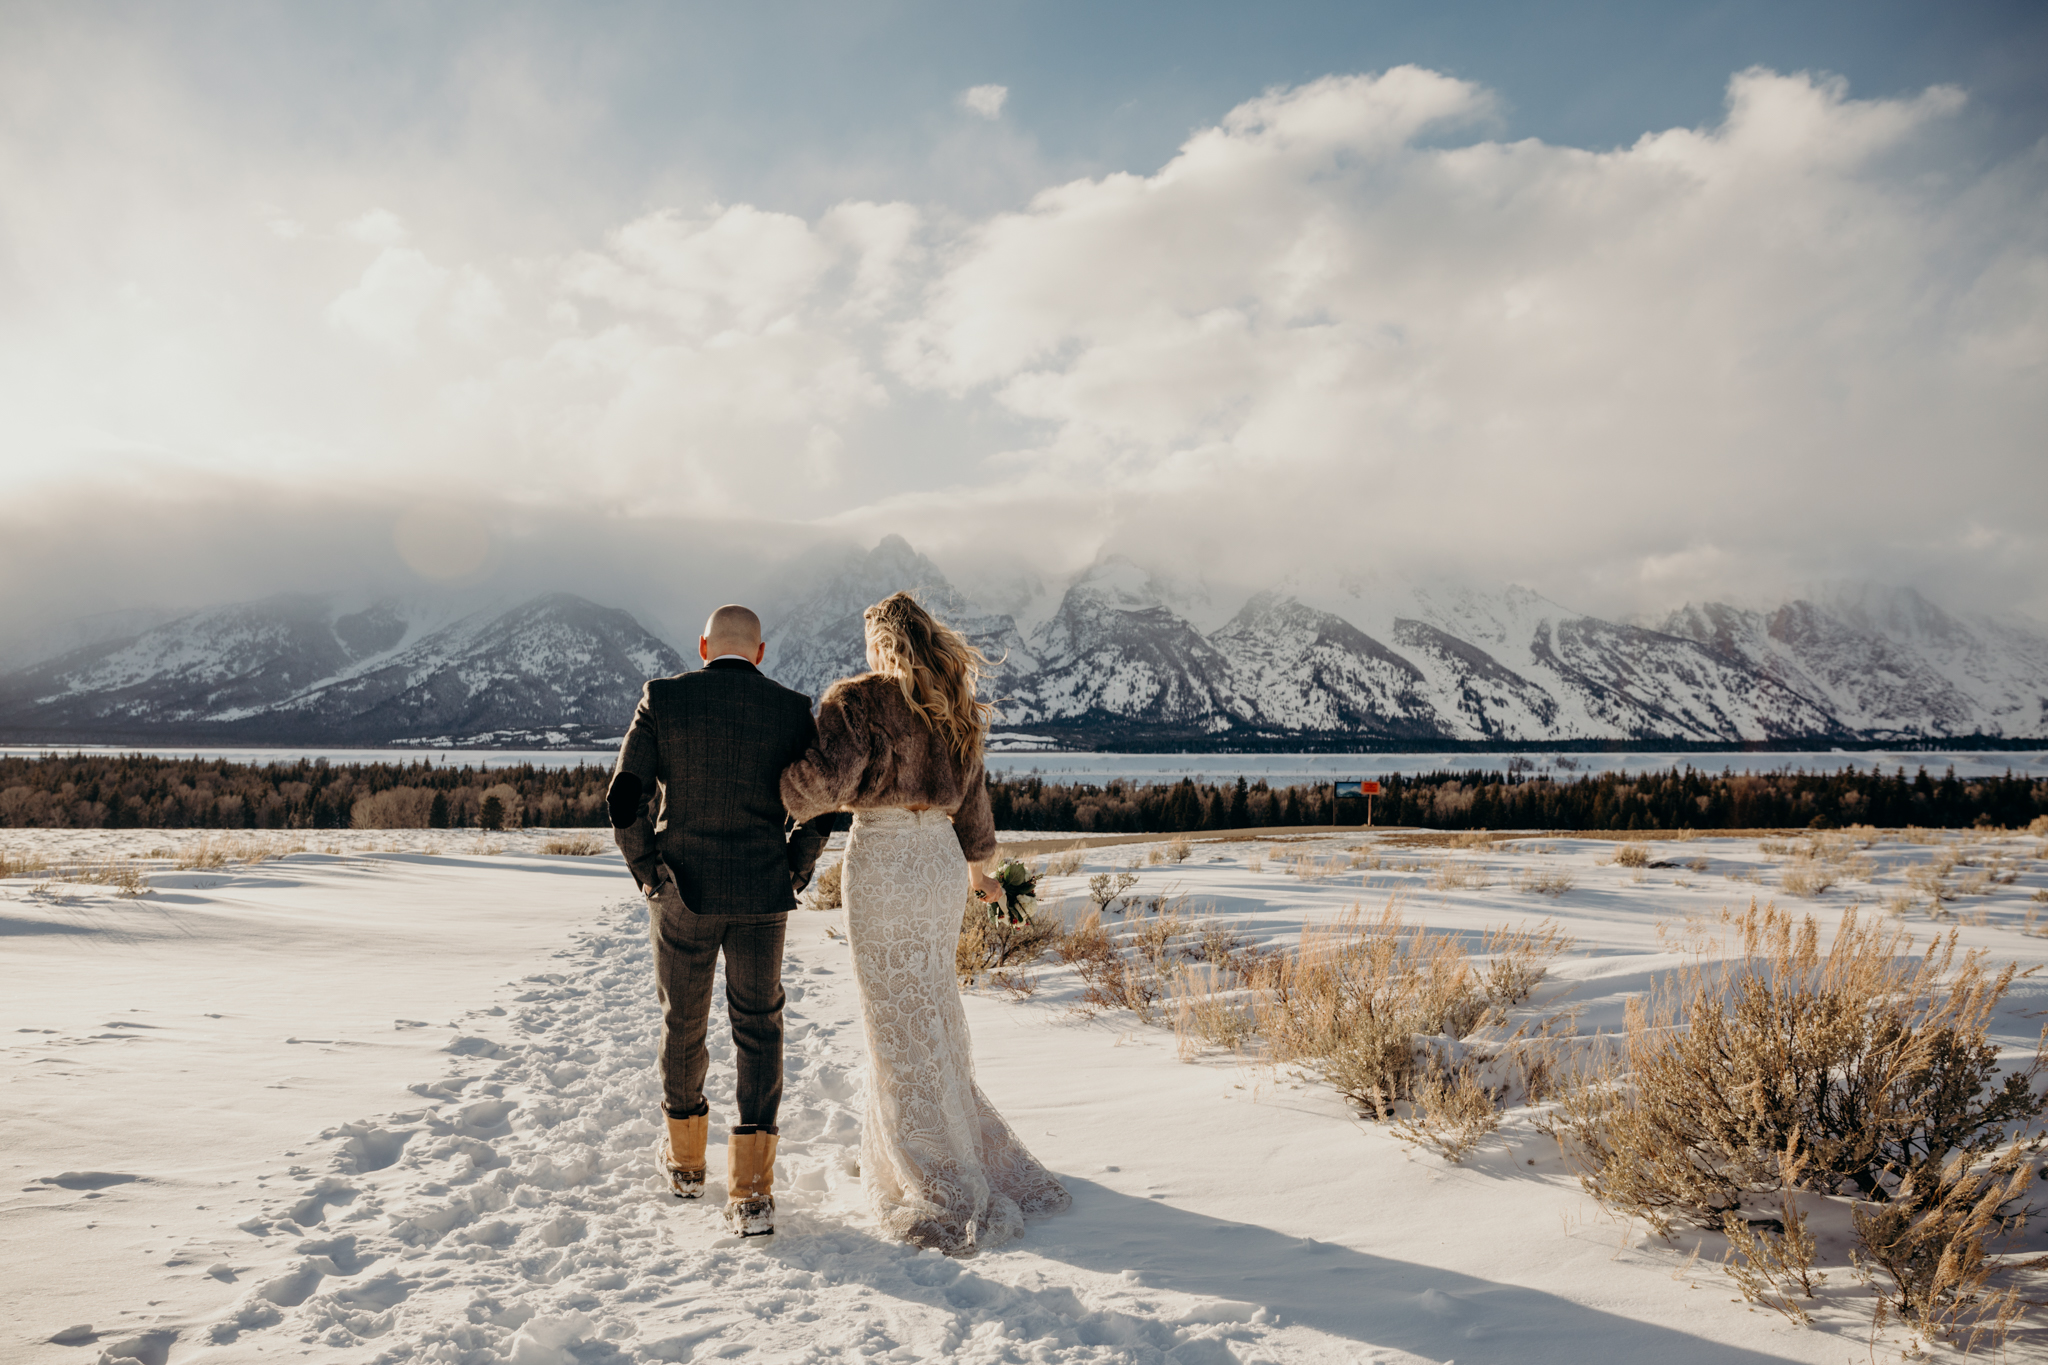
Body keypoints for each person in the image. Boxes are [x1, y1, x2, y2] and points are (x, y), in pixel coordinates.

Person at [781, 591, 1070, 1255]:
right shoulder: (954, 703)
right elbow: (974, 805)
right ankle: (941, 1143)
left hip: (883, 859)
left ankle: (931, 1169)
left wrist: (778, 786)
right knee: (934, 1004)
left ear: (881, 644)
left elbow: (822, 784)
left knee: (892, 1014)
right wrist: (979, 873)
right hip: (939, 862)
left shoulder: (857, 700)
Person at [607, 604, 833, 1237]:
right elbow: (821, 808)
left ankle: (684, 1165)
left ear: (703, 645)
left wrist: (649, 870)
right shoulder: (791, 710)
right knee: (759, 1028)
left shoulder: (663, 699)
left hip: (683, 887)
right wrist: (796, 866)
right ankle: (752, 1194)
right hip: (763, 892)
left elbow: (625, 796)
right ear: (759, 653)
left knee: (683, 1020)